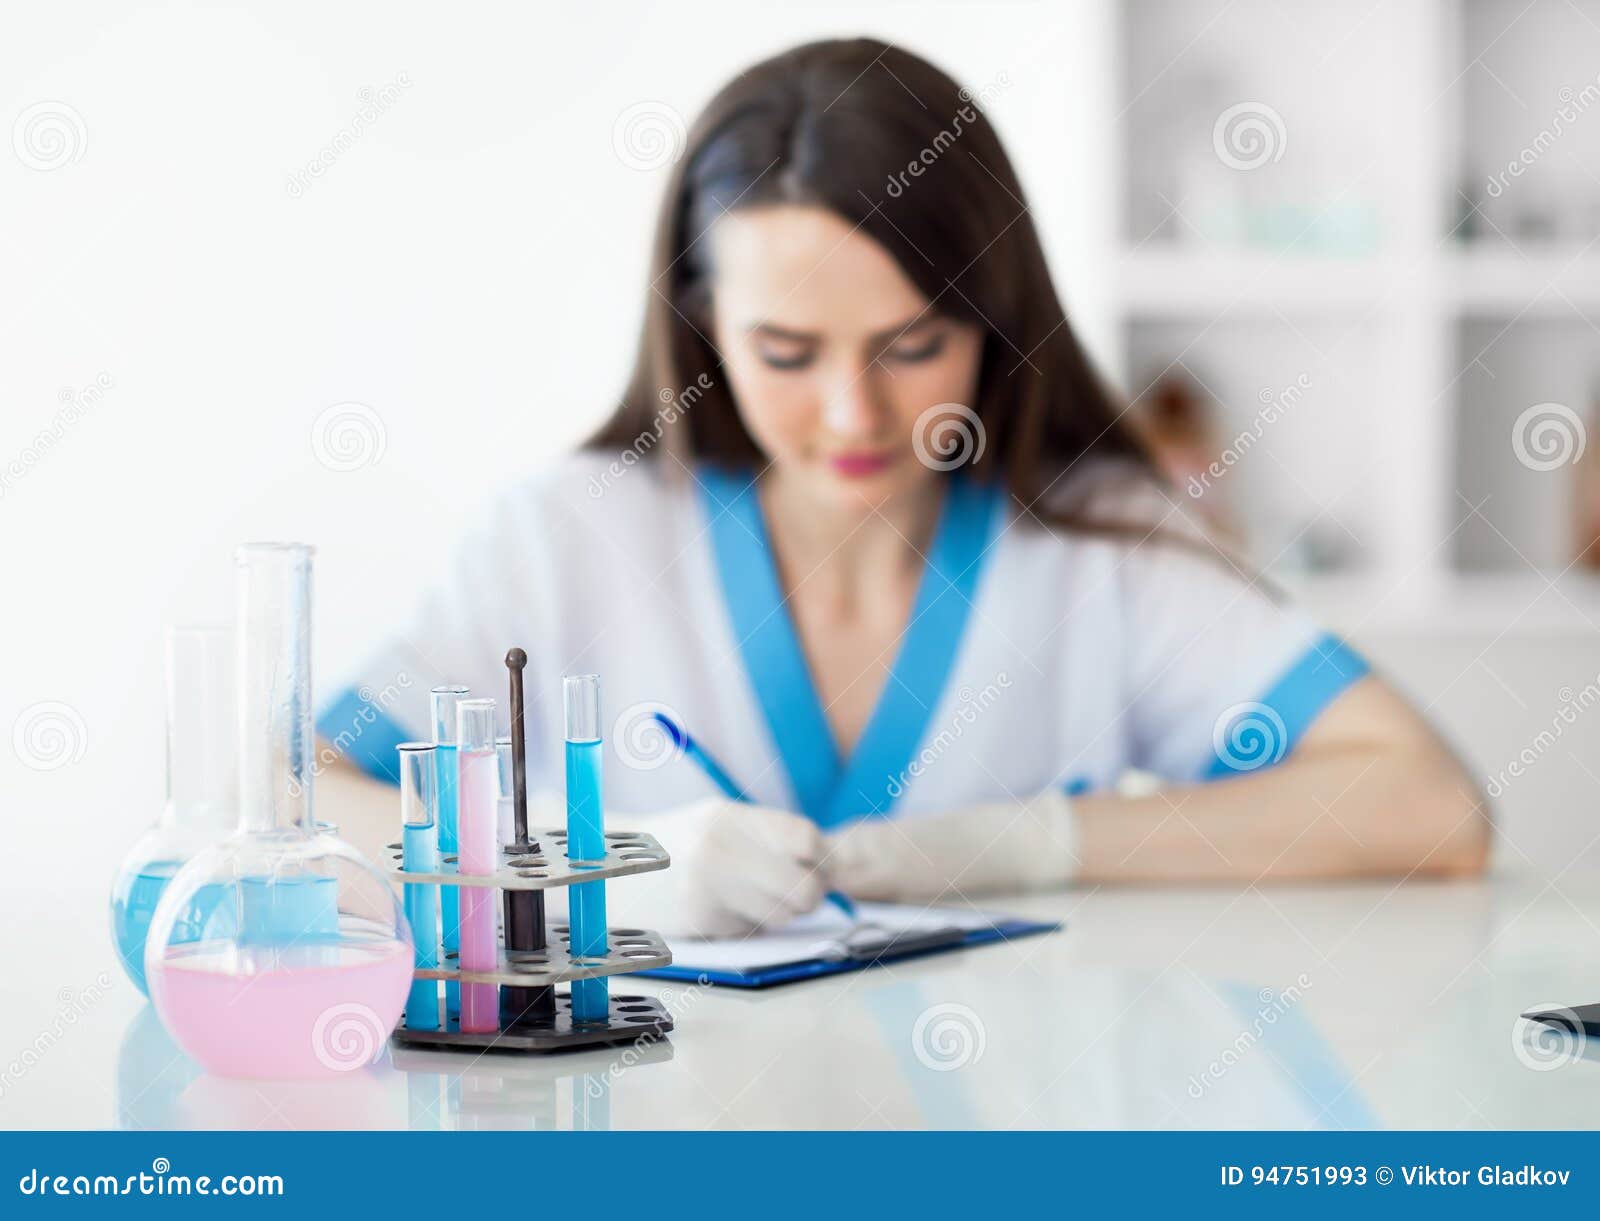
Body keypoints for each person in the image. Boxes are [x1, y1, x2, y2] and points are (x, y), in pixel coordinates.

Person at [316, 38, 1488, 937]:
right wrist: (612, 871)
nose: (852, 415)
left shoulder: (1102, 547)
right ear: (702, 324)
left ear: (995, 320)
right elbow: (293, 804)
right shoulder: (568, 535)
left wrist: (1037, 843)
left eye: (911, 346)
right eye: (785, 352)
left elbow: (1428, 806)